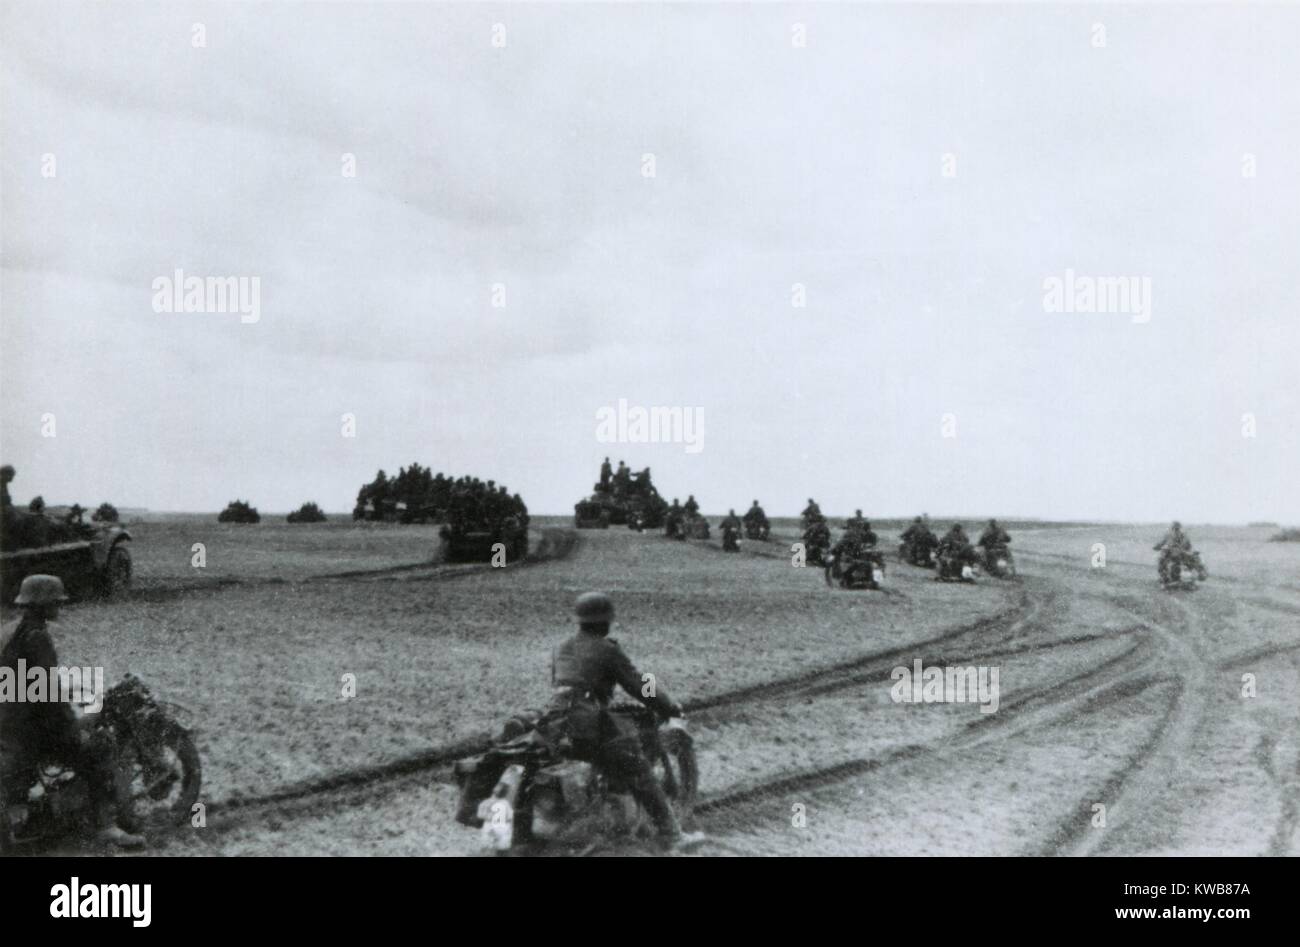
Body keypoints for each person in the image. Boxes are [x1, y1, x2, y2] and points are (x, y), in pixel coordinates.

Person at [542, 593, 704, 851]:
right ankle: (672, 836)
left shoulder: (561, 647)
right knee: (640, 769)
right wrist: (669, 707)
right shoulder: (608, 649)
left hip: (556, 722)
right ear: (605, 622)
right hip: (589, 722)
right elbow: (640, 685)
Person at [0, 575, 143, 848]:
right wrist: (74, 723)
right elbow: (50, 696)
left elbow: (31, 681)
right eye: (55, 601)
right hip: (30, 730)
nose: (60, 606)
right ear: (42, 604)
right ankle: (107, 826)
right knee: (99, 747)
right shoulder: (37, 637)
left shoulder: (10, 631)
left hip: (9, 722)